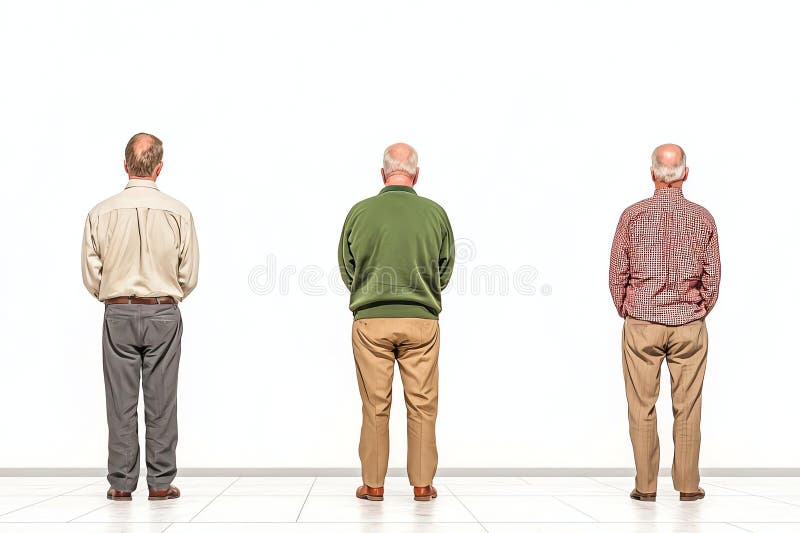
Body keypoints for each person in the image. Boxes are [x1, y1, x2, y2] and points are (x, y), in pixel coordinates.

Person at [82, 133, 199, 501]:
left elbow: (91, 272)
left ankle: (120, 483)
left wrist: (113, 293)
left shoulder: (100, 212)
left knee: (120, 401)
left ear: (125, 164)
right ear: (160, 167)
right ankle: (161, 483)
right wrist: (166, 292)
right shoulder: (179, 212)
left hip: (117, 311)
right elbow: (189, 274)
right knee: (162, 400)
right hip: (163, 311)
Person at [338, 143, 455, 502]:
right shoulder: (435, 213)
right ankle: (422, 484)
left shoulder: (360, 212)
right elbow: (445, 268)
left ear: (383, 174)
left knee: (374, 405)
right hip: (421, 321)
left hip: (371, 322)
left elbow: (347, 267)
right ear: (415, 174)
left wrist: (370, 291)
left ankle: (373, 484)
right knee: (422, 404)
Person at [609, 143, 721, 502]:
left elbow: (617, 273)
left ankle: (645, 486)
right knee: (688, 407)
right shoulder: (703, 218)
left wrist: (628, 308)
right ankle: (688, 486)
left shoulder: (633, 216)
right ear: (685, 173)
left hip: (641, 323)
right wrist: (698, 309)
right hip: (688, 323)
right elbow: (713, 278)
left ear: (653, 173)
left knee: (641, 406)